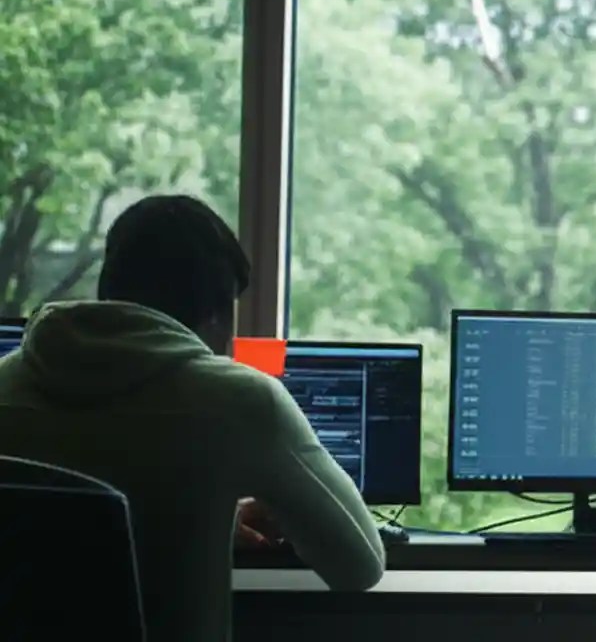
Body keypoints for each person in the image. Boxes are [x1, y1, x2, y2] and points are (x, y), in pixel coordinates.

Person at [0, 195, 385, 642]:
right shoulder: (241, 400)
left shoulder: (6, 381)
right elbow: (359, 565)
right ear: (219, 315)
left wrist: (208, 520)